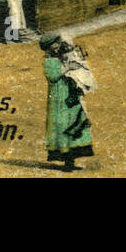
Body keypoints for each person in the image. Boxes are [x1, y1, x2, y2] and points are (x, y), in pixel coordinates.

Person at [41, 32, 94, 171]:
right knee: (63, 124)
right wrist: (68, 67)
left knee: (73, 122)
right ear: (48, 47)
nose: (57, 45)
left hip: (68, 93)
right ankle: (67, 162)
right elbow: (53, 76)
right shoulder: (49, 61)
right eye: (55, 43)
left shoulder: (59, 58)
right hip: (58, 97)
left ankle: (71, 161)